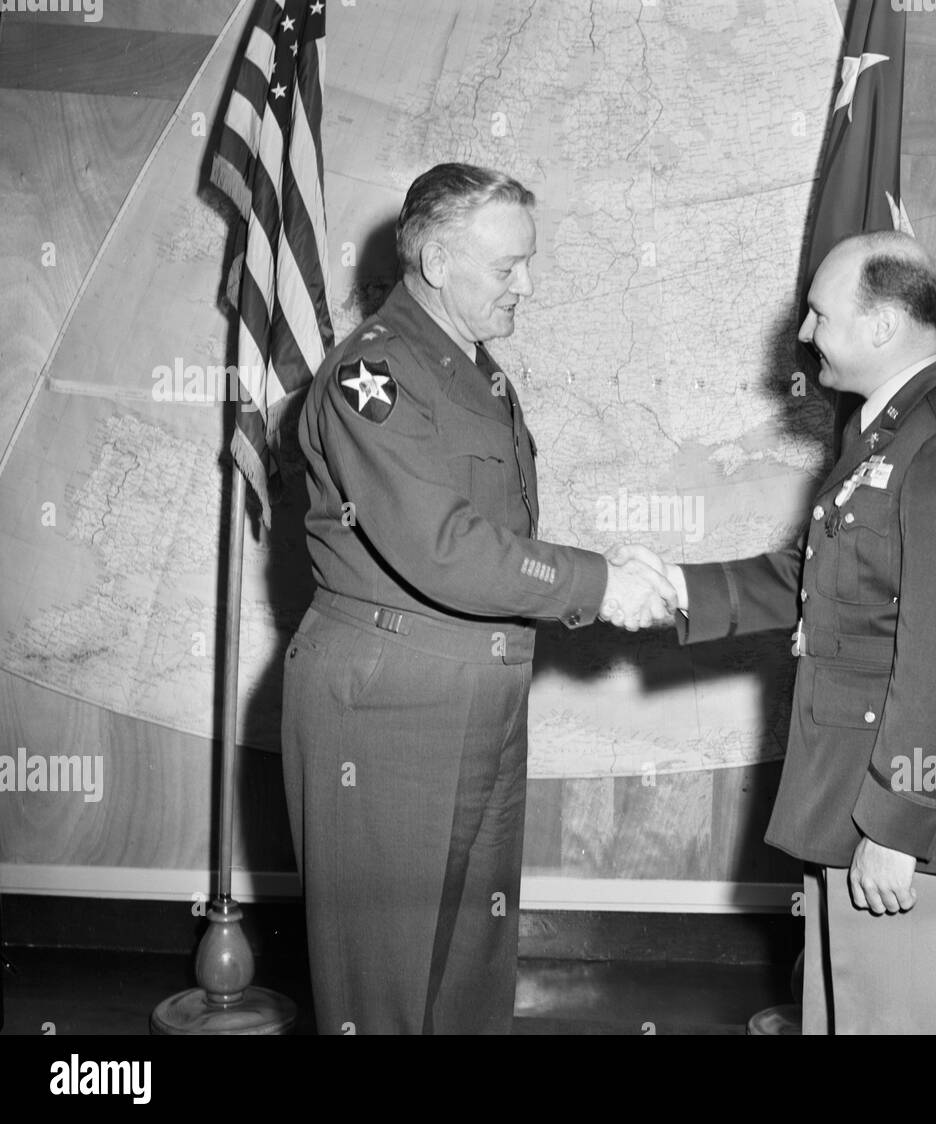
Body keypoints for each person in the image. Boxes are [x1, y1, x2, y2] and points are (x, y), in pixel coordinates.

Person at [281, 163, 673, 1035]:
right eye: (506, 268)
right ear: (433, 260)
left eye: (527, 263)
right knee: (385, 987)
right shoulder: (372, 376)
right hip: (392, 701)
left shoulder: (474, 370)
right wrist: (599, 584)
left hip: (483, 686)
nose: (526, 286)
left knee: (470, 970)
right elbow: (443, 547)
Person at [616, 231, 936, 1034]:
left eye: (819, 314)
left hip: (908, 800)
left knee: (889, 1022)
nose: (802, 334)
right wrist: (678, 589)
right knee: (842, 1017)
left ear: (880, 328)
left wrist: (897, 828)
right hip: (851, 782)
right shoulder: (879, 432)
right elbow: (814, 578)